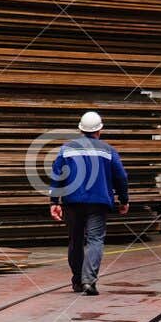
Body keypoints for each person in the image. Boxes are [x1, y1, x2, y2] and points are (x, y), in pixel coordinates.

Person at [48, 110, 129, 296]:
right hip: (98, 203)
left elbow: (57, 175)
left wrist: (54, 201)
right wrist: (123, 199)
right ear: (100, 130)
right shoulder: (108, 151)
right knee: (95, 240)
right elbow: (121, 177)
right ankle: (89, 281)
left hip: (72, 202)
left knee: (75, 240)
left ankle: (78, 281)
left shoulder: (67, 149)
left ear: (80, 129)